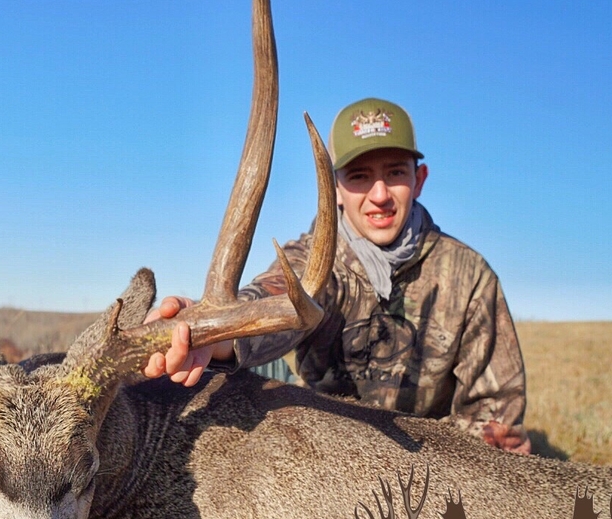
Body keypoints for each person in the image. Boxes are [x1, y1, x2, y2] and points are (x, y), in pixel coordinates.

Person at [144, 97, 531, 454]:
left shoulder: (469, 274)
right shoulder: (313, 263)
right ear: (335, 189)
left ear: (420, 179)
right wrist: (211, 336)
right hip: (328, 460)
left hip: (430, 462)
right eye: (359, 176)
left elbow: (495, 413)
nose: (379, 195)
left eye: (395, 173)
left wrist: (480, 443)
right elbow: (268, 298)